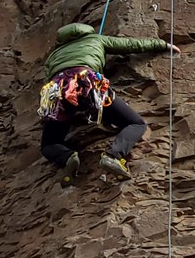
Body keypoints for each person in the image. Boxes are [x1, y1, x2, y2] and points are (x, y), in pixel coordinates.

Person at [38, 23, 179, 182]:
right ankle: (114, 156)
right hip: (88, 84)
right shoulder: (96, 39)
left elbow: (46, 81)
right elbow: (130, 44)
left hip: (58, 91)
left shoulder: (53, 56)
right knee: (136, 123)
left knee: (49, 144)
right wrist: (162, 44)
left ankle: (67, 157)